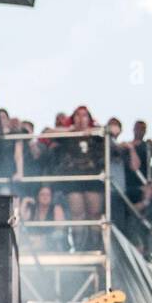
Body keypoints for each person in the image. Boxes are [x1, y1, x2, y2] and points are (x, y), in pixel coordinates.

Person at [54, 106, 105, 249]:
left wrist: (92, 131)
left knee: (94, 214)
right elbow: (47, 132)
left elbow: (111, 132)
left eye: (84, 116)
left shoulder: (96, 135)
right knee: (77, 214)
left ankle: (95, 245)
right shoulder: (68, 134)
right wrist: (70, 130)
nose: (81, 119)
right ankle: (79, 246)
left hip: (92, 177)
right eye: (77, 115)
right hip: (73, 178)